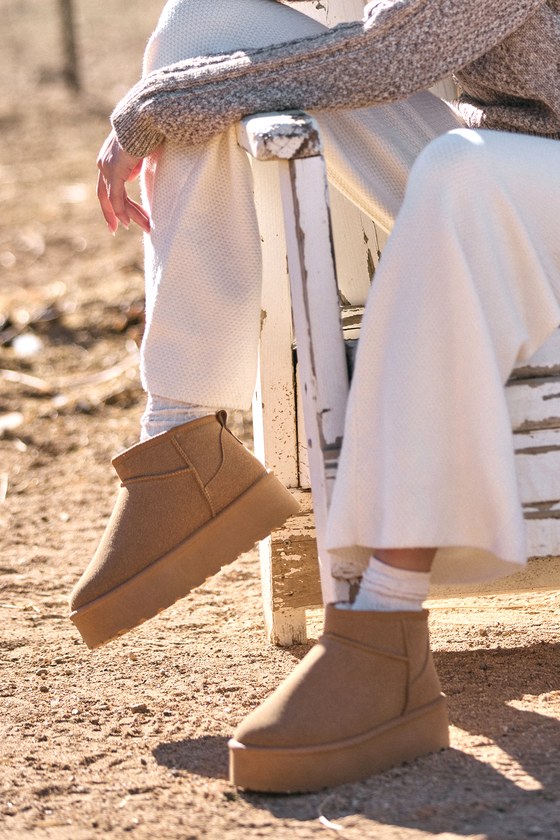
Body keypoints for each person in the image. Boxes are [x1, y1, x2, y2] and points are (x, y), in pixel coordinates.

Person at [69, 0, 560, 792]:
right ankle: (183, 438)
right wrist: (171, 92)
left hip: (522, 177)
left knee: (460, 168)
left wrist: (155, 109)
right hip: (524, 159)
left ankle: (384, 631)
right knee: (209, 20)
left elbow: (391, 53)